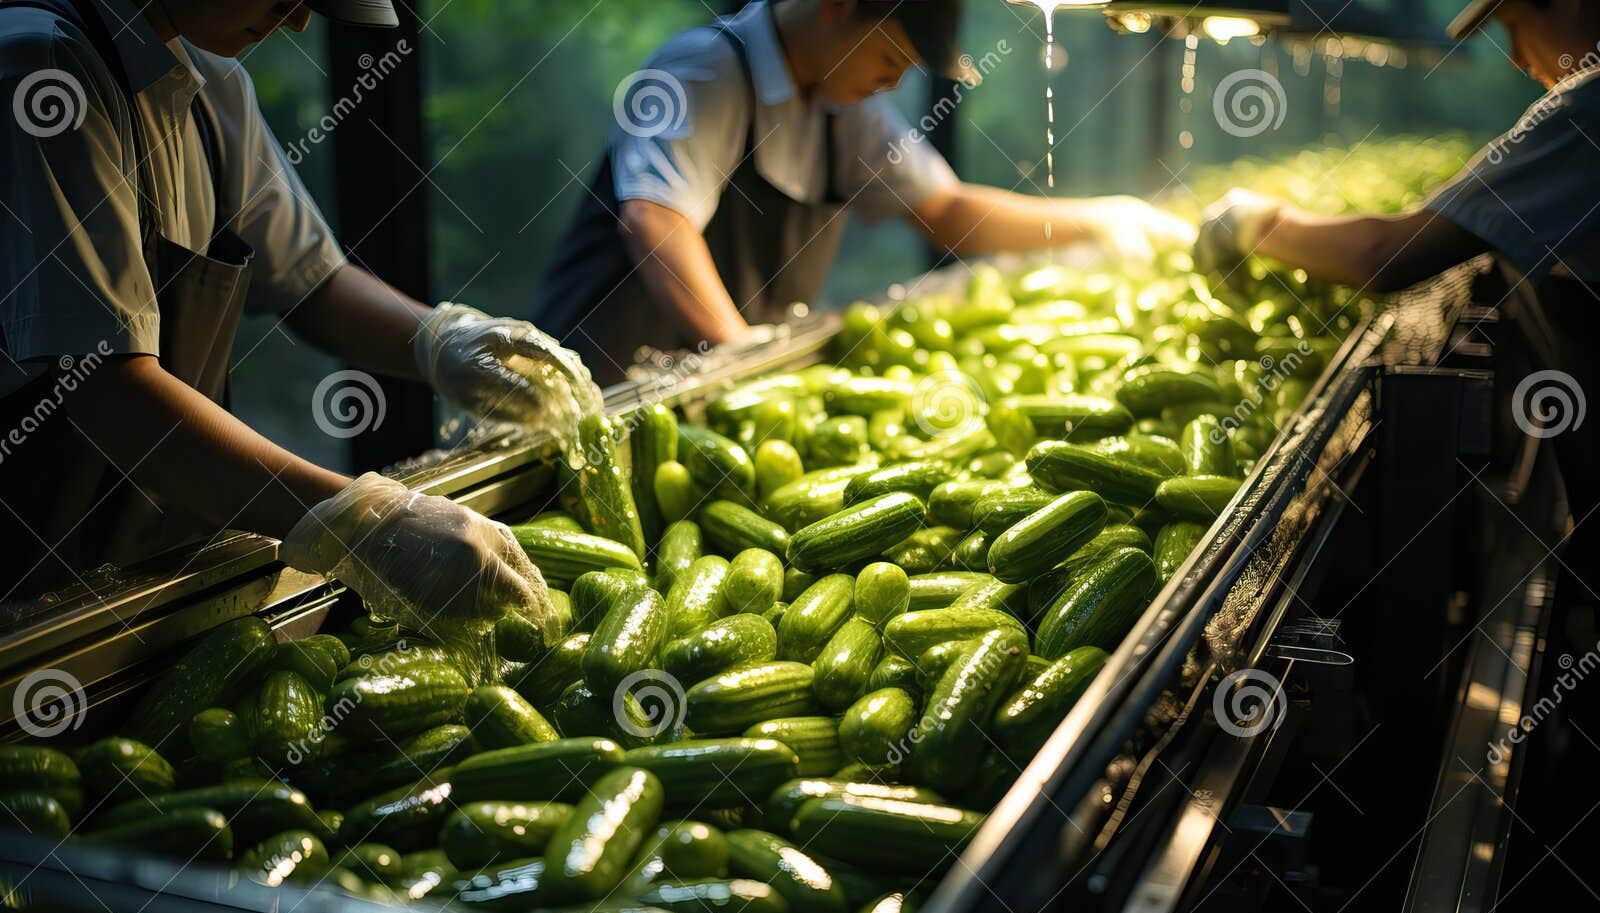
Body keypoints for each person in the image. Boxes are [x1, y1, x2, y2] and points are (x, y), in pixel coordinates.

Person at [0, 0, 570, 632]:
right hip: (31, 594)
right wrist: (365, 522)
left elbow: (312, 285)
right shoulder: (42, 68)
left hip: (159, 571)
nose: (298, 22)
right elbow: (109, 389)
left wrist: (444, 341)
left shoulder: (210, 83)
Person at [531, 0, 1196, 384]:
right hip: (597, 391)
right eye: (890, 59)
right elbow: (654, 221)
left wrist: (1100, 220)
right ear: (837, 7)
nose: (893, 81)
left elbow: (947, 211)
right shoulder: (701, 71)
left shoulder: (846, 112)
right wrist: (747, 359)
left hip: (704, 397)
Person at [1194, 0, 1600, 575]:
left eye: (1514, 26)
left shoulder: (1589, 102)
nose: (1514, 59)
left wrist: (1254, 224)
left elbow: (1384, 256)